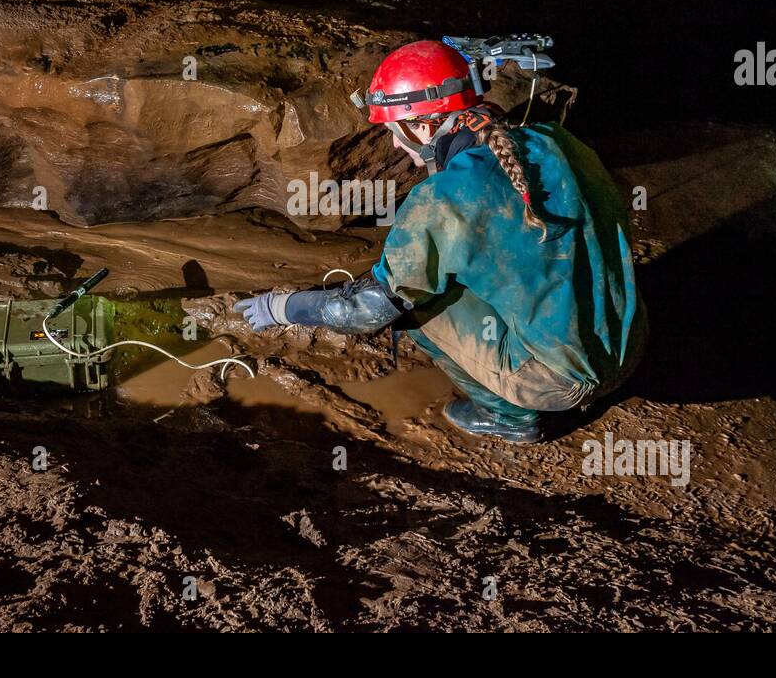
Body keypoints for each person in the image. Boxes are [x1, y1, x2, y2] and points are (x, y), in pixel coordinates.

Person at [235, 40, 645, 443]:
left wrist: (282, 307)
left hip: (558, 382)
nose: (395, 143)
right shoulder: (557, 141)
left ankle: (509, 416)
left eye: (396, 130)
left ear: (426, 125)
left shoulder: (443, 198)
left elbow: (366, 310)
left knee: (414, 304)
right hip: (632, 345)